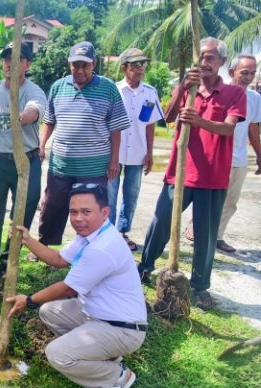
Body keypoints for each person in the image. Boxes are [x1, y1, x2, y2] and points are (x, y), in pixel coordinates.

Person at [6, 182, 147, 388]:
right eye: (73, 212)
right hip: (99, 315)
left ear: (105, 212)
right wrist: (29, 240)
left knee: (57, 354)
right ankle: (104, 358)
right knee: (50, 312)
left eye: (86, 212)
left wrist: (29, 300)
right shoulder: (90, 235)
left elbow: (68, 287)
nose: (78, 218)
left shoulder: (103, 246)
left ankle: (115, 378)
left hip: (123, 329)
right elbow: (59, 260)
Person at [138, 37, 246, 310]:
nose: (205, 62)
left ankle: (200, 286)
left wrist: (199, 120)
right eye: (202, 57)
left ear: (222, 62)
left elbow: (228, 128)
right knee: (160, 222)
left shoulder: (234, 93)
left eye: (210, 57)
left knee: (205, 235)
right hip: (180, 172)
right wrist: (183, 88)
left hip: (212, 177)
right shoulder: (189, 88)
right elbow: (168, 117)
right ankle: (145, 267)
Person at [0, 43, 47, 297]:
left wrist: (21, 116)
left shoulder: (33, 91)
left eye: (16, 59)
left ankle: (7, 264)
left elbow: (35, 111)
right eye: (5, 59)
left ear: (27, 64)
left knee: (21, 218)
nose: (8, 63)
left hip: (26, 162)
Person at [37, 41, 130, 250]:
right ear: (69, 64)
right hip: (61, 164)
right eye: (75, 65)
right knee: (52, 204)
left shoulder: (108, 89)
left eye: (84, 65)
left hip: (94, 167)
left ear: (93, 64)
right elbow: (49, 120)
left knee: (91, 209)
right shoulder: (58, 87)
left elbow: (116, 128)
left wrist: (114, 160)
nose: (79, 70)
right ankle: (45, 245)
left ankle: (92, 248)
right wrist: (42, 145)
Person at [182, 54, 261, 253]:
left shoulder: (255, 98)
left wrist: (260, 155)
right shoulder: (220, 91)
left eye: (253, 73)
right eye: (244, 72)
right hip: (216, 157)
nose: (249, 77)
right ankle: (197, 231)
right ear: (232, 71)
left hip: (239, 159)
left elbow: (253, 129)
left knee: (230, 201)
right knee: (207, 199)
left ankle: (216, 237)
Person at [110, 48, 163, 251]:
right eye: (135, 64)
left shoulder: (149, 92)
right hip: (114, 153)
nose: (140, 68)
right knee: (110, 194)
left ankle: (122, 232)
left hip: (138, 152)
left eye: (143, 64)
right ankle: (108, 234)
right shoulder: (114, 90)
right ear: (124, 68)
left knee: (131, 194)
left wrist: (150, 152)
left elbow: (150, 124)